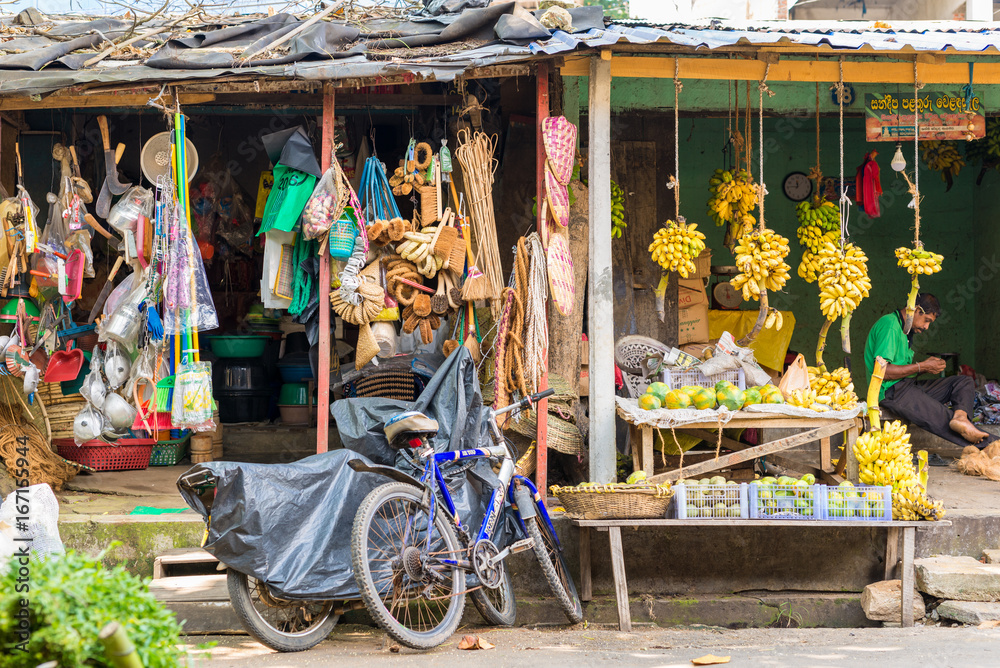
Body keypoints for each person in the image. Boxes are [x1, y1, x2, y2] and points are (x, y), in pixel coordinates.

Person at [864, 293, 996, 459]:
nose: (926, 327)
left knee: (963, 382)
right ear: (917, 310)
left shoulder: (904, 331)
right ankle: (994, 445)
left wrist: (924, 368)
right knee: (942, 418)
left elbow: (903, 369)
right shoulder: (890, 325)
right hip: (890, 392)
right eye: (927, 320)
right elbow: (883, 372)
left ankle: (961, 418)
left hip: (907, 386)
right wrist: (922, 366)